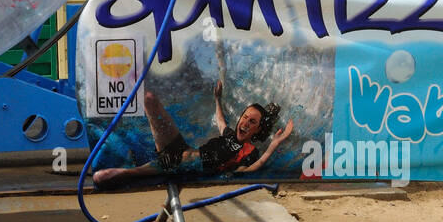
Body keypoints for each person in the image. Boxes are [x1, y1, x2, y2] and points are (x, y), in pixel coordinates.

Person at [93, 79, 295, 189]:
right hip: (179, 149)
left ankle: (127, 167)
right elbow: (220, 121)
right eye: (245, 117)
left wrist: (274, 144)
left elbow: (252, 169)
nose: (245, 123)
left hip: (175, 166)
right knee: (149, 98)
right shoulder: (230, 136)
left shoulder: (249, 151)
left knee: (101, 178)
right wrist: (217, 99)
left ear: (258, 129)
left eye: (252, 122)